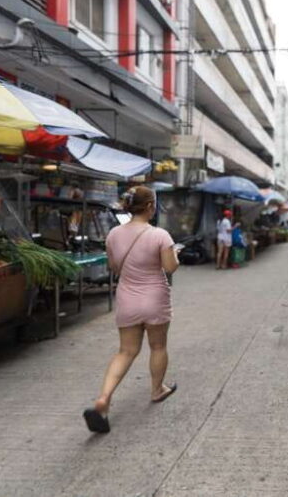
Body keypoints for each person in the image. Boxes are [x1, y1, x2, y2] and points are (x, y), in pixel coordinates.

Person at [83, 186, 180, 434]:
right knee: (158, 346)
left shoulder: (114, 234)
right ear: (149, 207)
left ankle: (104, 399)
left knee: (126, 351)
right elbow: (170, 267)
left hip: (127, 299)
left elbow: (115, 268)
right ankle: (157, 390)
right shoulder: (160, 235)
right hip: (155, 298)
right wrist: (174, 254)